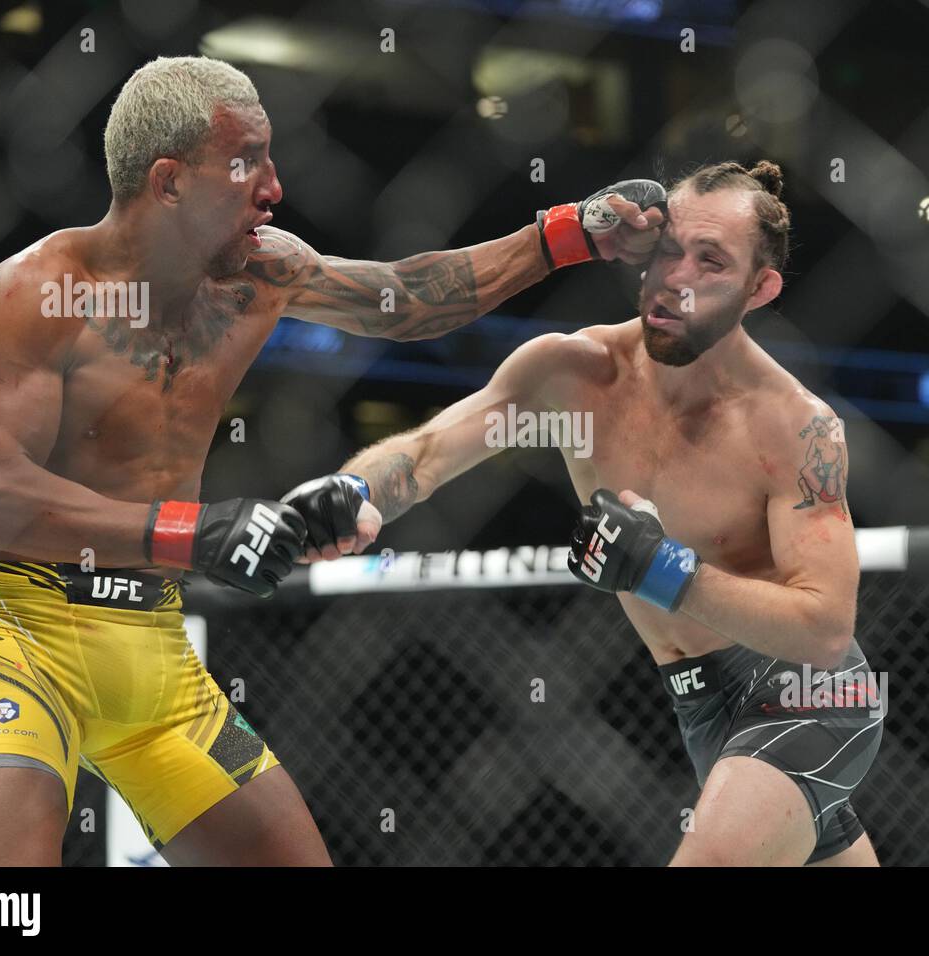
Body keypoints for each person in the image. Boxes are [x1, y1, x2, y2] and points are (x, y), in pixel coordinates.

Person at [0, 54, 663, 866]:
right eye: (246, 162)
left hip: (154, 650)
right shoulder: (39, 292)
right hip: (25, 635)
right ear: (170, 181)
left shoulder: (259, 272)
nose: (275, 188)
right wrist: (196, 532)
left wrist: (564, 235)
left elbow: (407, 299)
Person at [289, 160, 884, 866]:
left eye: (711, 263)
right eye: (667, 251)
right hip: (696, 705)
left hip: (807, 691)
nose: (677, 279)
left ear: (761, 288)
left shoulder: (793, 427)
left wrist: (667, 573)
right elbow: (422, 457)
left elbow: (822, 630)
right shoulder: (572, 373)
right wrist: (352, 493)